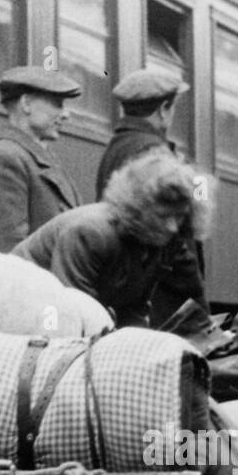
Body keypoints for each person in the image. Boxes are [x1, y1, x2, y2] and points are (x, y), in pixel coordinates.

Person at [12, 147, 207, 328]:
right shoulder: (89, 232)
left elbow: (134, 309)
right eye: (164, 216)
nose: (173, 227)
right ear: (139, 208)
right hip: (20, 303)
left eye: (179, 216)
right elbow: (70, 311)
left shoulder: (161, 239)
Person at [96, 69, 207, 322]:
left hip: (125, 284)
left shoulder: (117, 148)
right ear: (163, 110)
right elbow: (173, 237)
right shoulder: (154, 154)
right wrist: (197, 302)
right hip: (159, 295)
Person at [0, 67, 83, 252]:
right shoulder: (5, 159)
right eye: (57, 103)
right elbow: (10, 250)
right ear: (26, 104)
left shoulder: (35, 158)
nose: (66, 114)